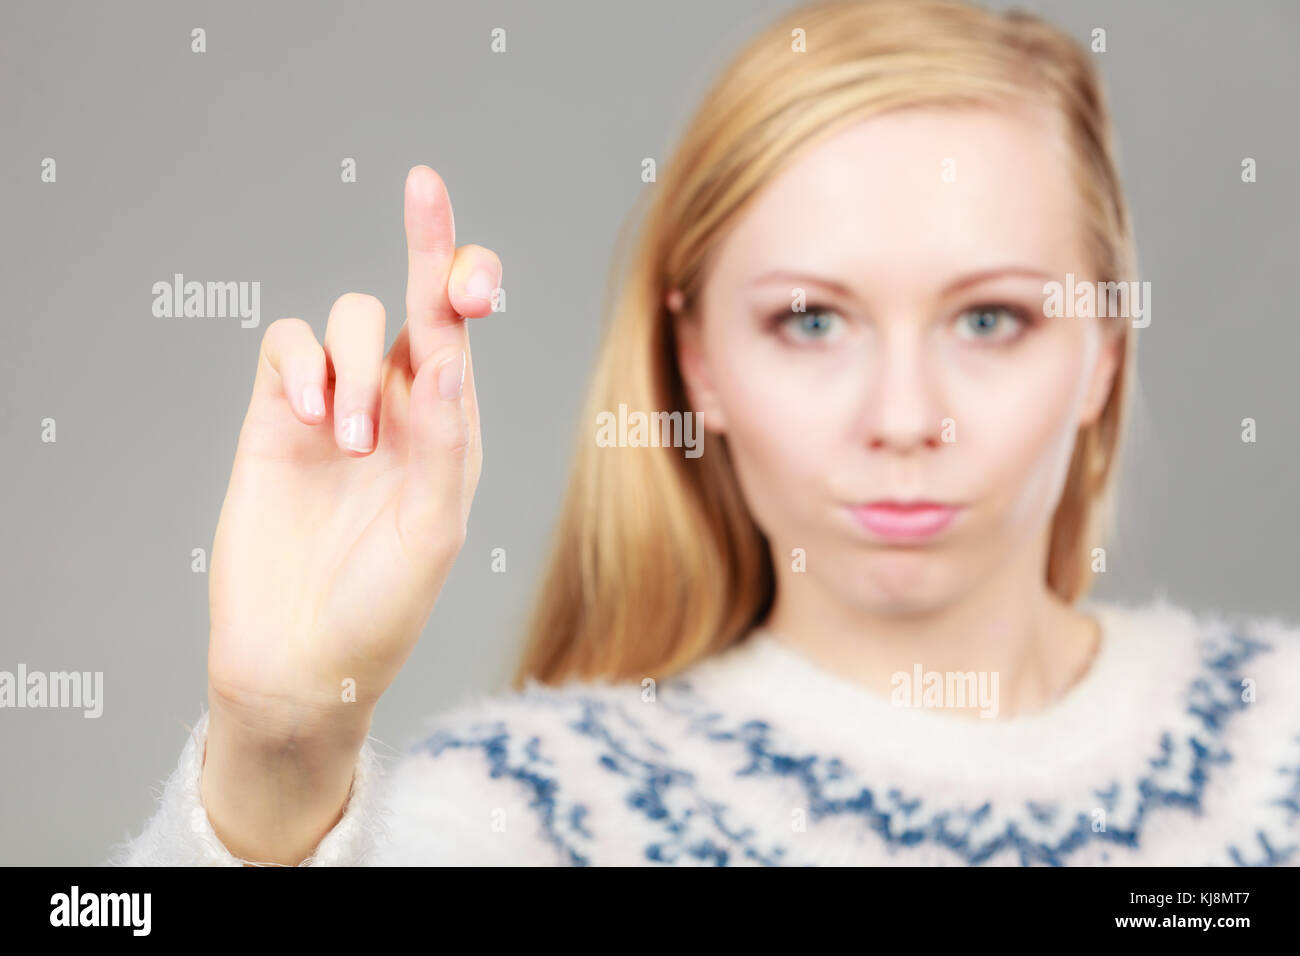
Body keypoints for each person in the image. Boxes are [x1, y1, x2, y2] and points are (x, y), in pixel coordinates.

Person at [112, 0, 1300, 866]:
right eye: (809, 319)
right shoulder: (514, 813)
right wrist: (274, 754)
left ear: (1104, 349)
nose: (901, 418)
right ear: (697, 362)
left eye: (990, 316)